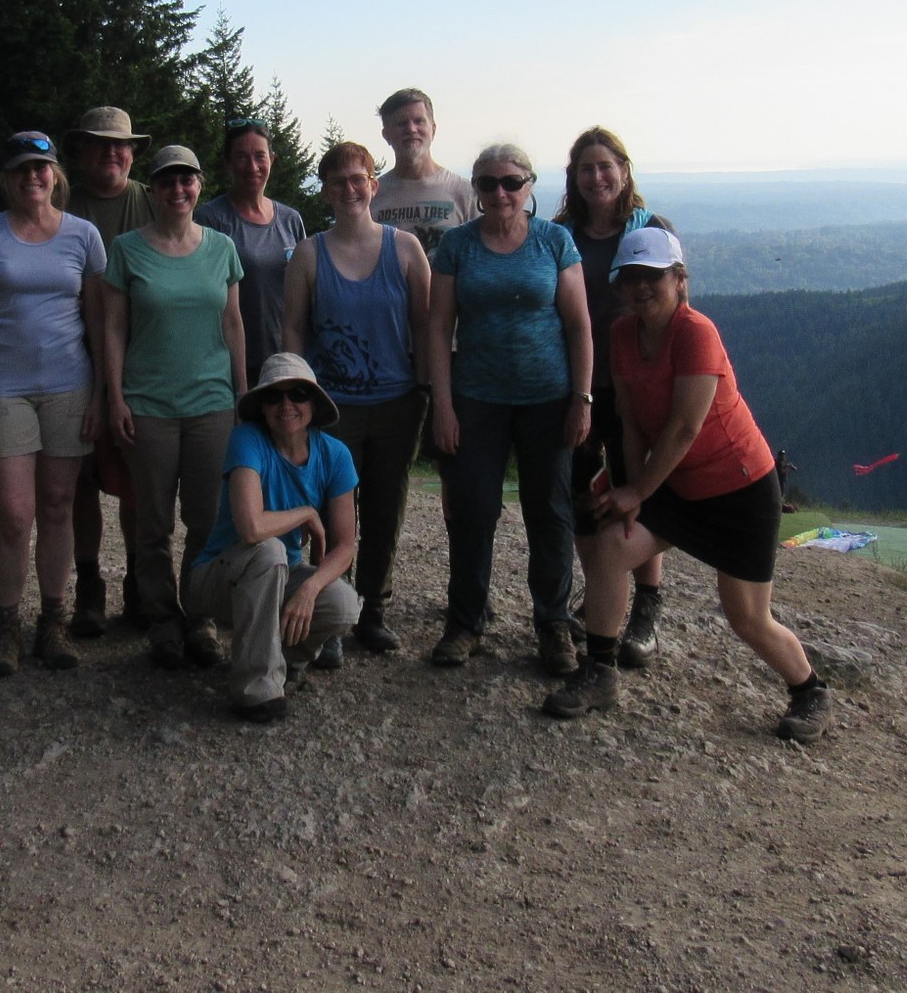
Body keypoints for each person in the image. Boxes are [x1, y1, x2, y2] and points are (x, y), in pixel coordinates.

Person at [545, 228, 832, 743]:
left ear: (680, 280)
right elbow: (632, 423)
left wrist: (638, 492)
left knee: (746, 617)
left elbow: (683, 429)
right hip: (674, 483)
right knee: (611, 546)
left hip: (740, 490)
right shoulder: (622, 335)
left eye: (652, 276)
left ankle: (810, 691)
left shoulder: (697, 332)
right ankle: (601, 672)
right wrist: (633, 491)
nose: (639, 287)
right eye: (629, 277)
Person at [428, 143, 592, 677]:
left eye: (511, 182)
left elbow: (579, 326)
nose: (500, 192)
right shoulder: (457, 245)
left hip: (548, 398)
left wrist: (581, 398)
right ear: (474, 190)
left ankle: (552, 625)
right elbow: (437, 328)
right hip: (477, 398)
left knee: (551, 514)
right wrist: (443, 406)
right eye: (487, 183)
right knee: (473, 511)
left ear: (529, 186)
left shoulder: (554, 241)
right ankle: (466, 622)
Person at [0, 132, 107, 679]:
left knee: (60, 506)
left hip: (70, 385)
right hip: (2, 388)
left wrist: (102, 393)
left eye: (41, 168)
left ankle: (53, 619)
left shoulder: (84, 236)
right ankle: (6, 624)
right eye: (22, 169)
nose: (33, 177)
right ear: (8, 179)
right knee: (15, 516)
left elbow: (96, 320)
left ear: (55, 175)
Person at [281, 140, 431, 659]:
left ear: (374, 184)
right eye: (338, 180)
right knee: (326, 508)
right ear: (325, 191)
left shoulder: (406, 249)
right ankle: (325, 610)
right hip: (331, 406)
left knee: (387, 507)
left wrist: (433, 394)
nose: (350, 188)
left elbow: (426, 328)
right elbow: (293, 332)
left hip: (397, 402)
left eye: (358, 178)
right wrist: (295, 401)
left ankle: (372, 609)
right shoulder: (308, 253)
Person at [103, 144, 246, 670]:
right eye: (167, 181)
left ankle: (200, 619)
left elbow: (233, 323)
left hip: (212, 402)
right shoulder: (126, 250)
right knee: (153, 522)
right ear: (154, 189)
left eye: (186, 180)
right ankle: (162, 622)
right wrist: (114, 395)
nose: (178, 190)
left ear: (199, 186)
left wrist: (242, 391)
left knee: (207, 520)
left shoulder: (221, 248)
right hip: (148, 404)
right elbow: (114, 327)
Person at [185, 353, 362, 722]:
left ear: (314, 402)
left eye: (298, 393)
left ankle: (285, 658)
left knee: (344, 604)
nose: (287, 404)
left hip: (283, 574)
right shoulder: (246, 439)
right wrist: (307, 512)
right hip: (219, 577)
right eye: (273, 396)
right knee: (268, 550)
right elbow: (251, 528)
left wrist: (310, 589)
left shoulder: (336, 454)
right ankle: (256, 689)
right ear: (261, 407)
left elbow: (346, 545)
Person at [556, 126, 674, 669]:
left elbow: (676, 307)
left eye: (606, 167)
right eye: (587, 169)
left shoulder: (652, 230)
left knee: (634, 492)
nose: (598, 177)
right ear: (574, 179)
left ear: (625, 171)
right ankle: (601, 592)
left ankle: (645, 609)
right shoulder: (558, 234)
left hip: (637, 383)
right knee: (582, 493)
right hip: (577, 384)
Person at [65, 105, 155, 637]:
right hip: (69, 364)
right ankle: (88, 585)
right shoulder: (62, 203)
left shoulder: (151, 199)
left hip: (141, 364)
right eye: (100, 144)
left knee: (136, 485)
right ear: (82, 151)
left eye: (120, 144)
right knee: (79, 483)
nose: (112, 153)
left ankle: (140, 585)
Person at [198, 118, 306, 386]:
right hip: (230, 362)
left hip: (285, 360)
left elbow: (307, 289)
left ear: (273, 159)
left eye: (260, 156)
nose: (253, 167)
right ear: (228, 163)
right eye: (242, 157)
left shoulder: (291, 220)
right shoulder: (210, 219)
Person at [370, 88, 477, 262]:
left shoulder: (464, 193)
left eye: (419, 121)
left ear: (433, 129)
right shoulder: (372, 196)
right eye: (401, 123)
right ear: (386, 135)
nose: (411, 129)